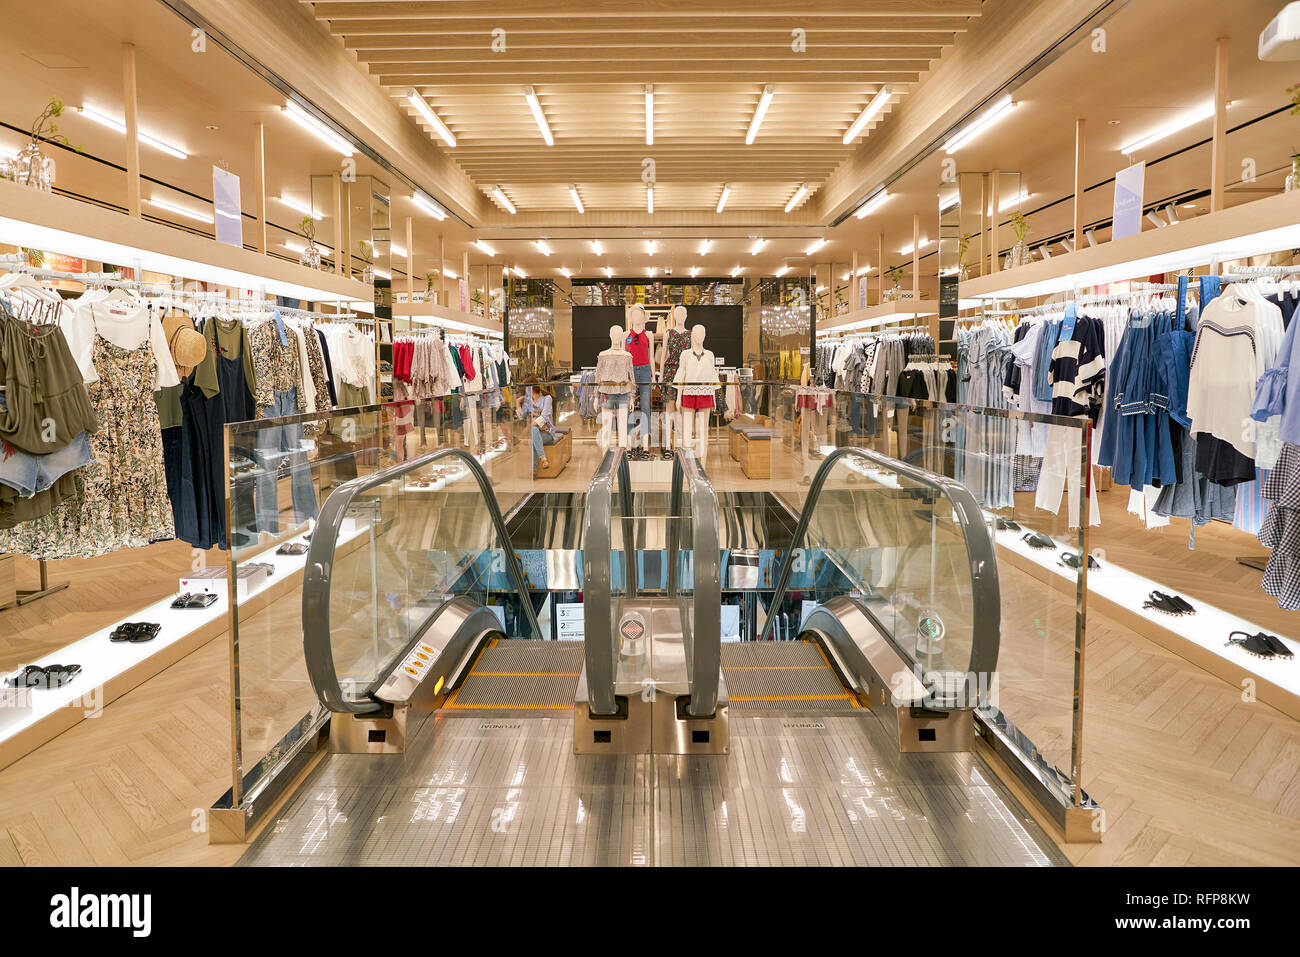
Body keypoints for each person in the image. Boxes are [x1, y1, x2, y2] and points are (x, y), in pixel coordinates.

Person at [517, 377, 556, 471]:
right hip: (535, 432)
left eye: (526, 387)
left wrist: (528, 427)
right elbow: (521, 417)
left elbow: (545, 417)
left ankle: (533, 470)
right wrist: (518, 403)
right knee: (534, 432)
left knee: (534, 435)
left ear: (531, 388)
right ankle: (543, 459)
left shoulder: (547, 398)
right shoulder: (528, 401)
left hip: (547, 432)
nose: (525, 390)